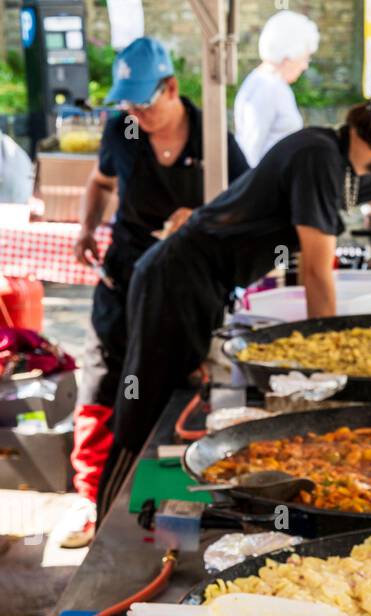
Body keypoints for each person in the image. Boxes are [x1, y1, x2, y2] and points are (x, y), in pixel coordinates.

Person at [100, 77, 371, 517]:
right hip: (174, 280)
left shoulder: (346, 166)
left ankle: (146, 509)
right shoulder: (319, 160)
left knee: (174, 400)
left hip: (202, 283)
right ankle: (109, 519)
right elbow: (318, 272)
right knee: (142, 411)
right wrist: (327, 368)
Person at [65, 37, 246, 548]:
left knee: (171, 390)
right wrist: (86, 230)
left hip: (183, 293)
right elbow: (100, 184)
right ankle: (90, 502)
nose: (136, 114)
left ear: (171, 88)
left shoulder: (212, 136)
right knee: (103, 385)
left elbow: (249, 204)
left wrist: (206, 217)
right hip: (124, 277)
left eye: (144, 103)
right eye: (128, 104)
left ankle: (162, 504)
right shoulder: (121, 130)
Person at [233, 11, 319, 166]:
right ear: (290, 55)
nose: (305, 65)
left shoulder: (265, 81)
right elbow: (251, 149)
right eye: (305, 57)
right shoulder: (268, 87)